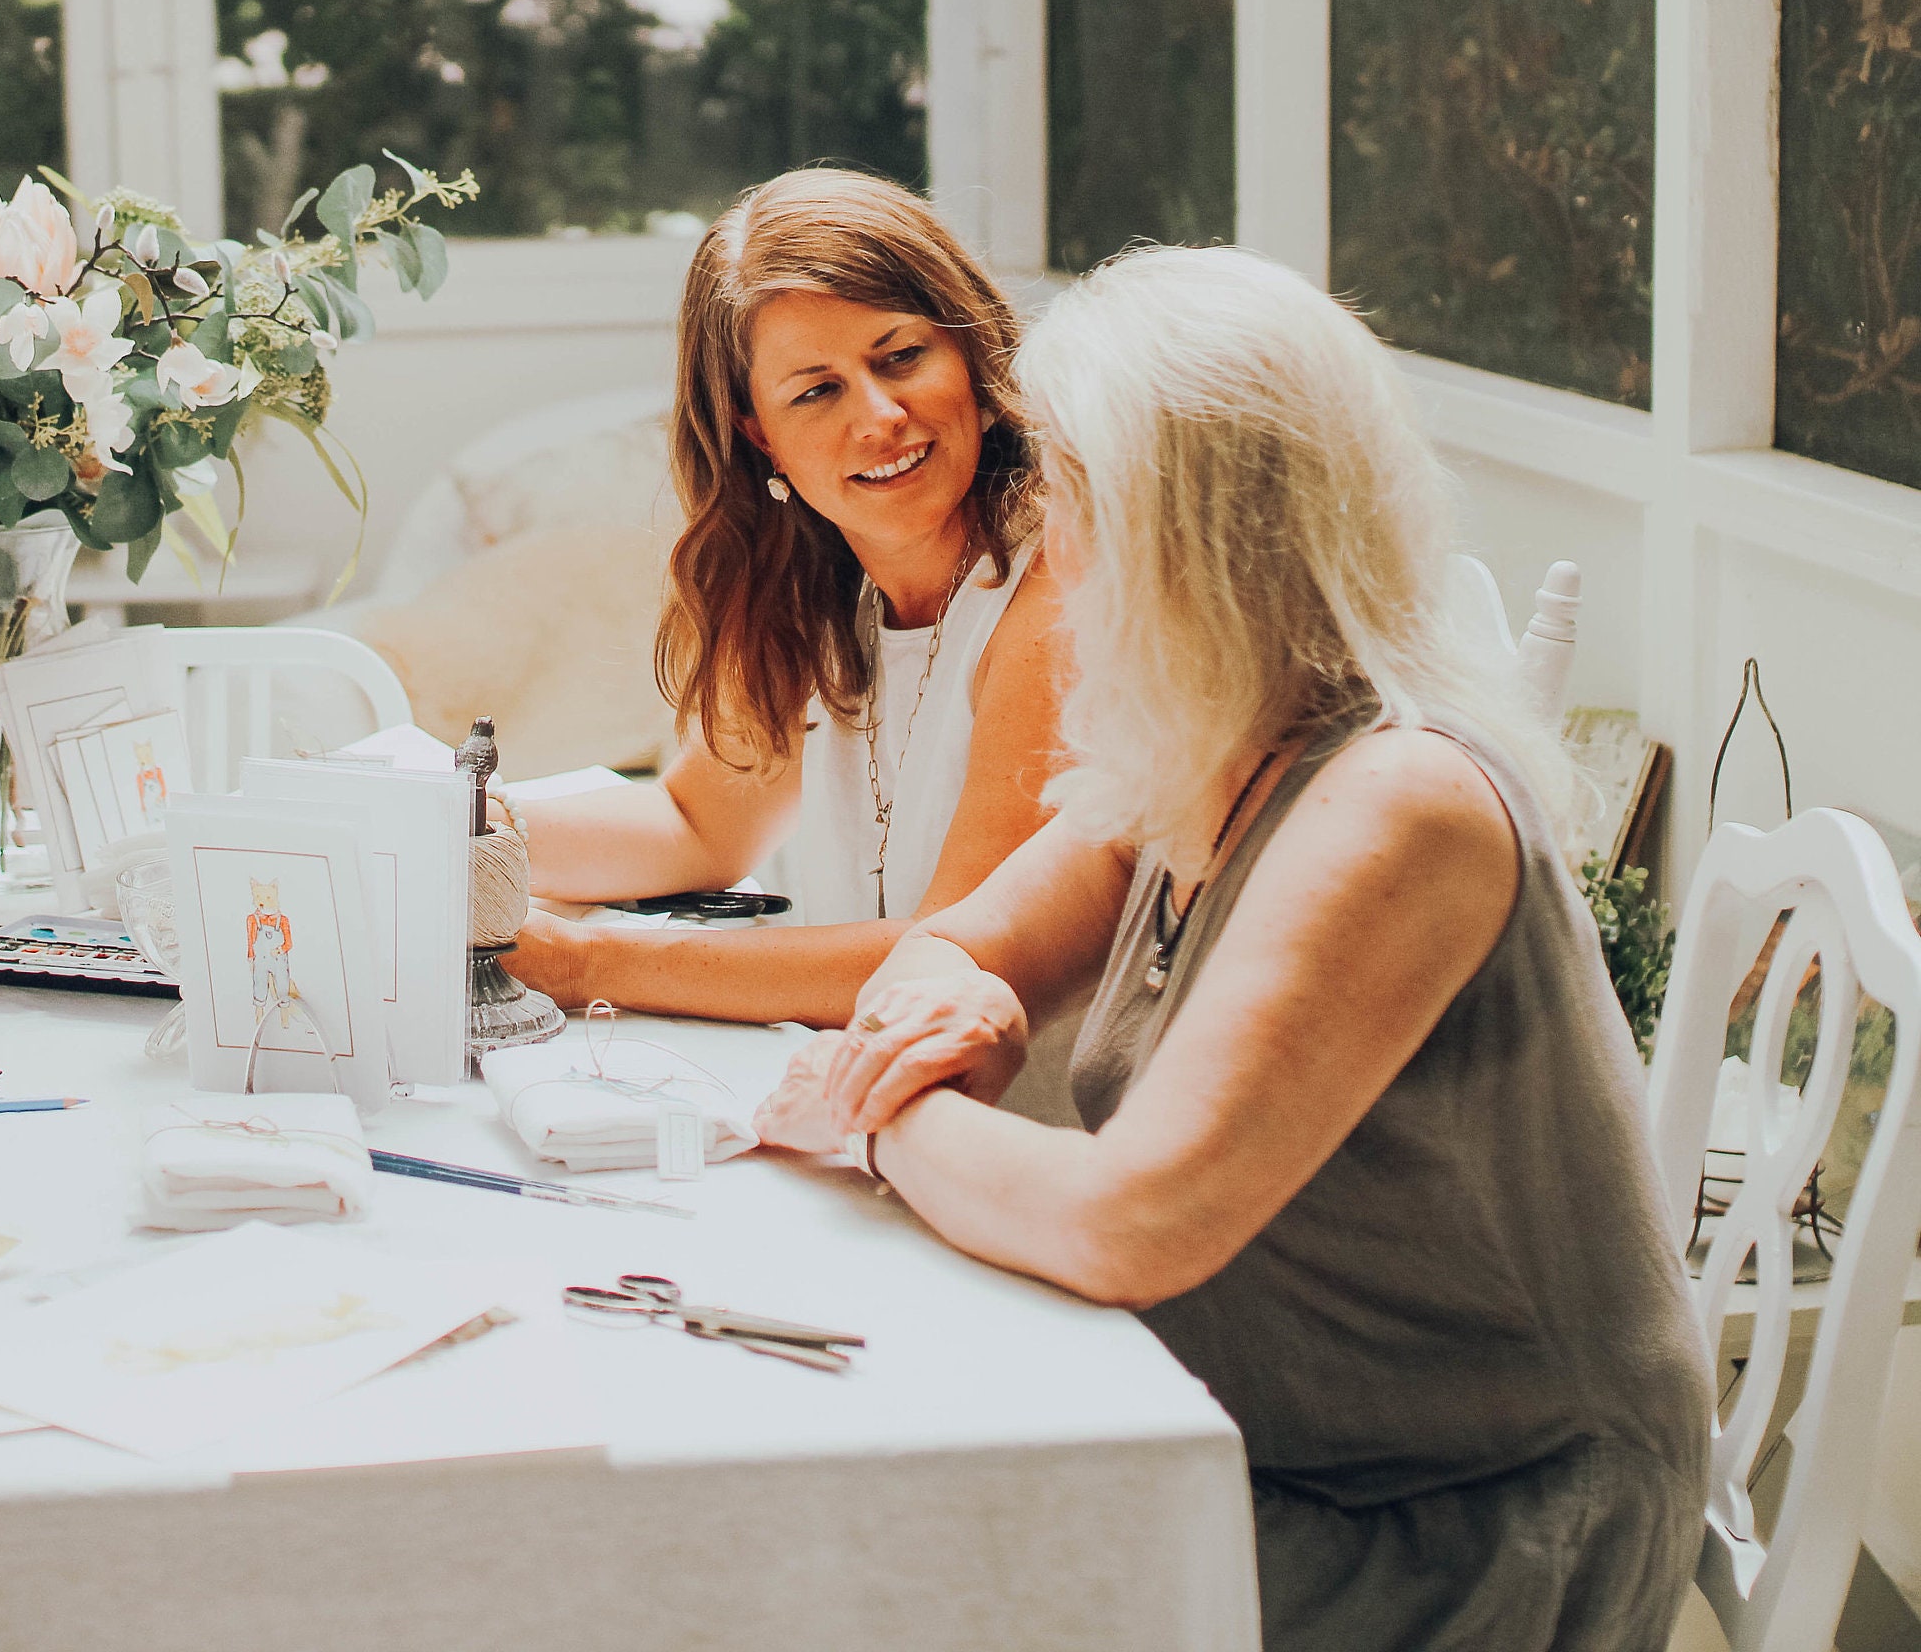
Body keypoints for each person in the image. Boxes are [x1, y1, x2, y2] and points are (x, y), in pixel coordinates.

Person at [759, 246, 1707, 1650]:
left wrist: (876, 1120)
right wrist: (969, 1012)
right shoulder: (1195, 750)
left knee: (859, 1568)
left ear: (1173, 531)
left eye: (1064, 495)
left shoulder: (1399, 802)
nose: (1042, 548)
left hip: (1464, 1523)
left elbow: (1126, 1222)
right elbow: (942, 952)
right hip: (1258, 1431)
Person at [499, 170, 1069, 1050]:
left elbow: (954, 951)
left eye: (902, 356)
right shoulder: (817, 593)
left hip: (1013, 1130)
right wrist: (446, 820)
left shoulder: (1059, 581)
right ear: (758, 431)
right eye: (817, 390)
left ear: (971, 350)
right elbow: (698, 827)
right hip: (857, 1106)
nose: (881, 416)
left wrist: (582, 962)